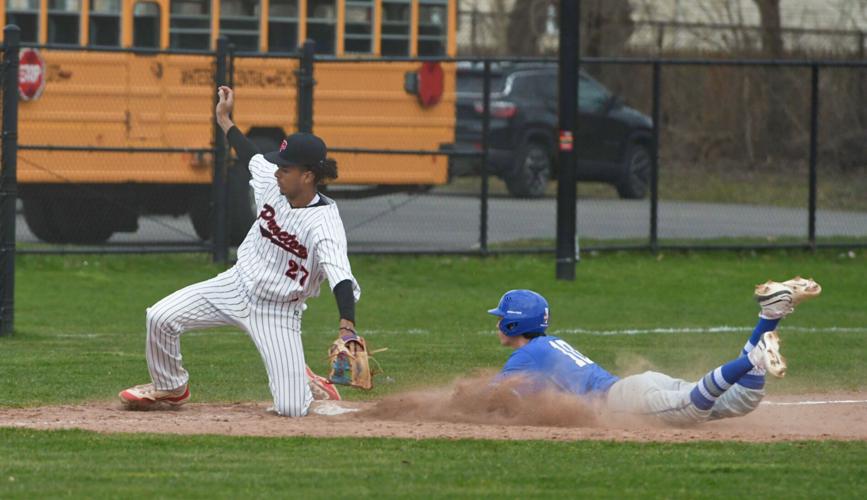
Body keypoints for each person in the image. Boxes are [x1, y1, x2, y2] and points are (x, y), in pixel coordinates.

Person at [118, 86, 359, 416]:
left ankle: (304, 380)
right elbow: (250, 156)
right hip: (235, 286)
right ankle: (171, 386)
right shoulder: (272, 181)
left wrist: (347, 326)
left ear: (308, 175)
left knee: (292, 409)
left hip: (278, 311)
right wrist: (225, 120)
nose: (277, 172)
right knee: (159, 317)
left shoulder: (324, 223)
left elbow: (341, 277)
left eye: (286, 169)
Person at [487, 278, 821, 426]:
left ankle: (754, 357)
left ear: (515, 325)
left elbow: (493, 400)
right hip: (636, 386)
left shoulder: (526, 356)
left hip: (623, 403)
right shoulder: (549, 343)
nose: (498, 324)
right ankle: (770, 317)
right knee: (737, 402)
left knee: (692, 406)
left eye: (502, 319)